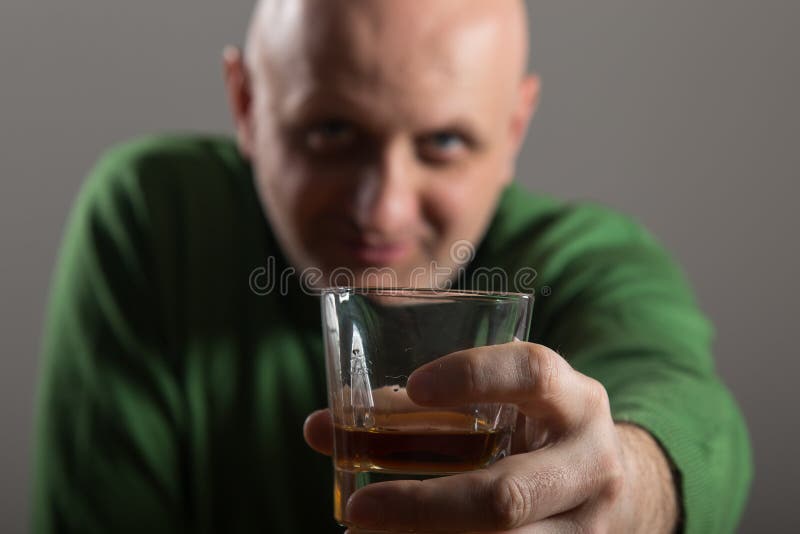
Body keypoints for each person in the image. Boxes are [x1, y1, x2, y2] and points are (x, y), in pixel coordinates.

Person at [32, 0, 751, 532]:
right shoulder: (158, 217)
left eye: (442, 141)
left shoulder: (585, 259)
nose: (382, 211)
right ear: (246, 105)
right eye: (331, 132)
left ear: (512, 131)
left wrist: (629, 484)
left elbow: (689, 407)